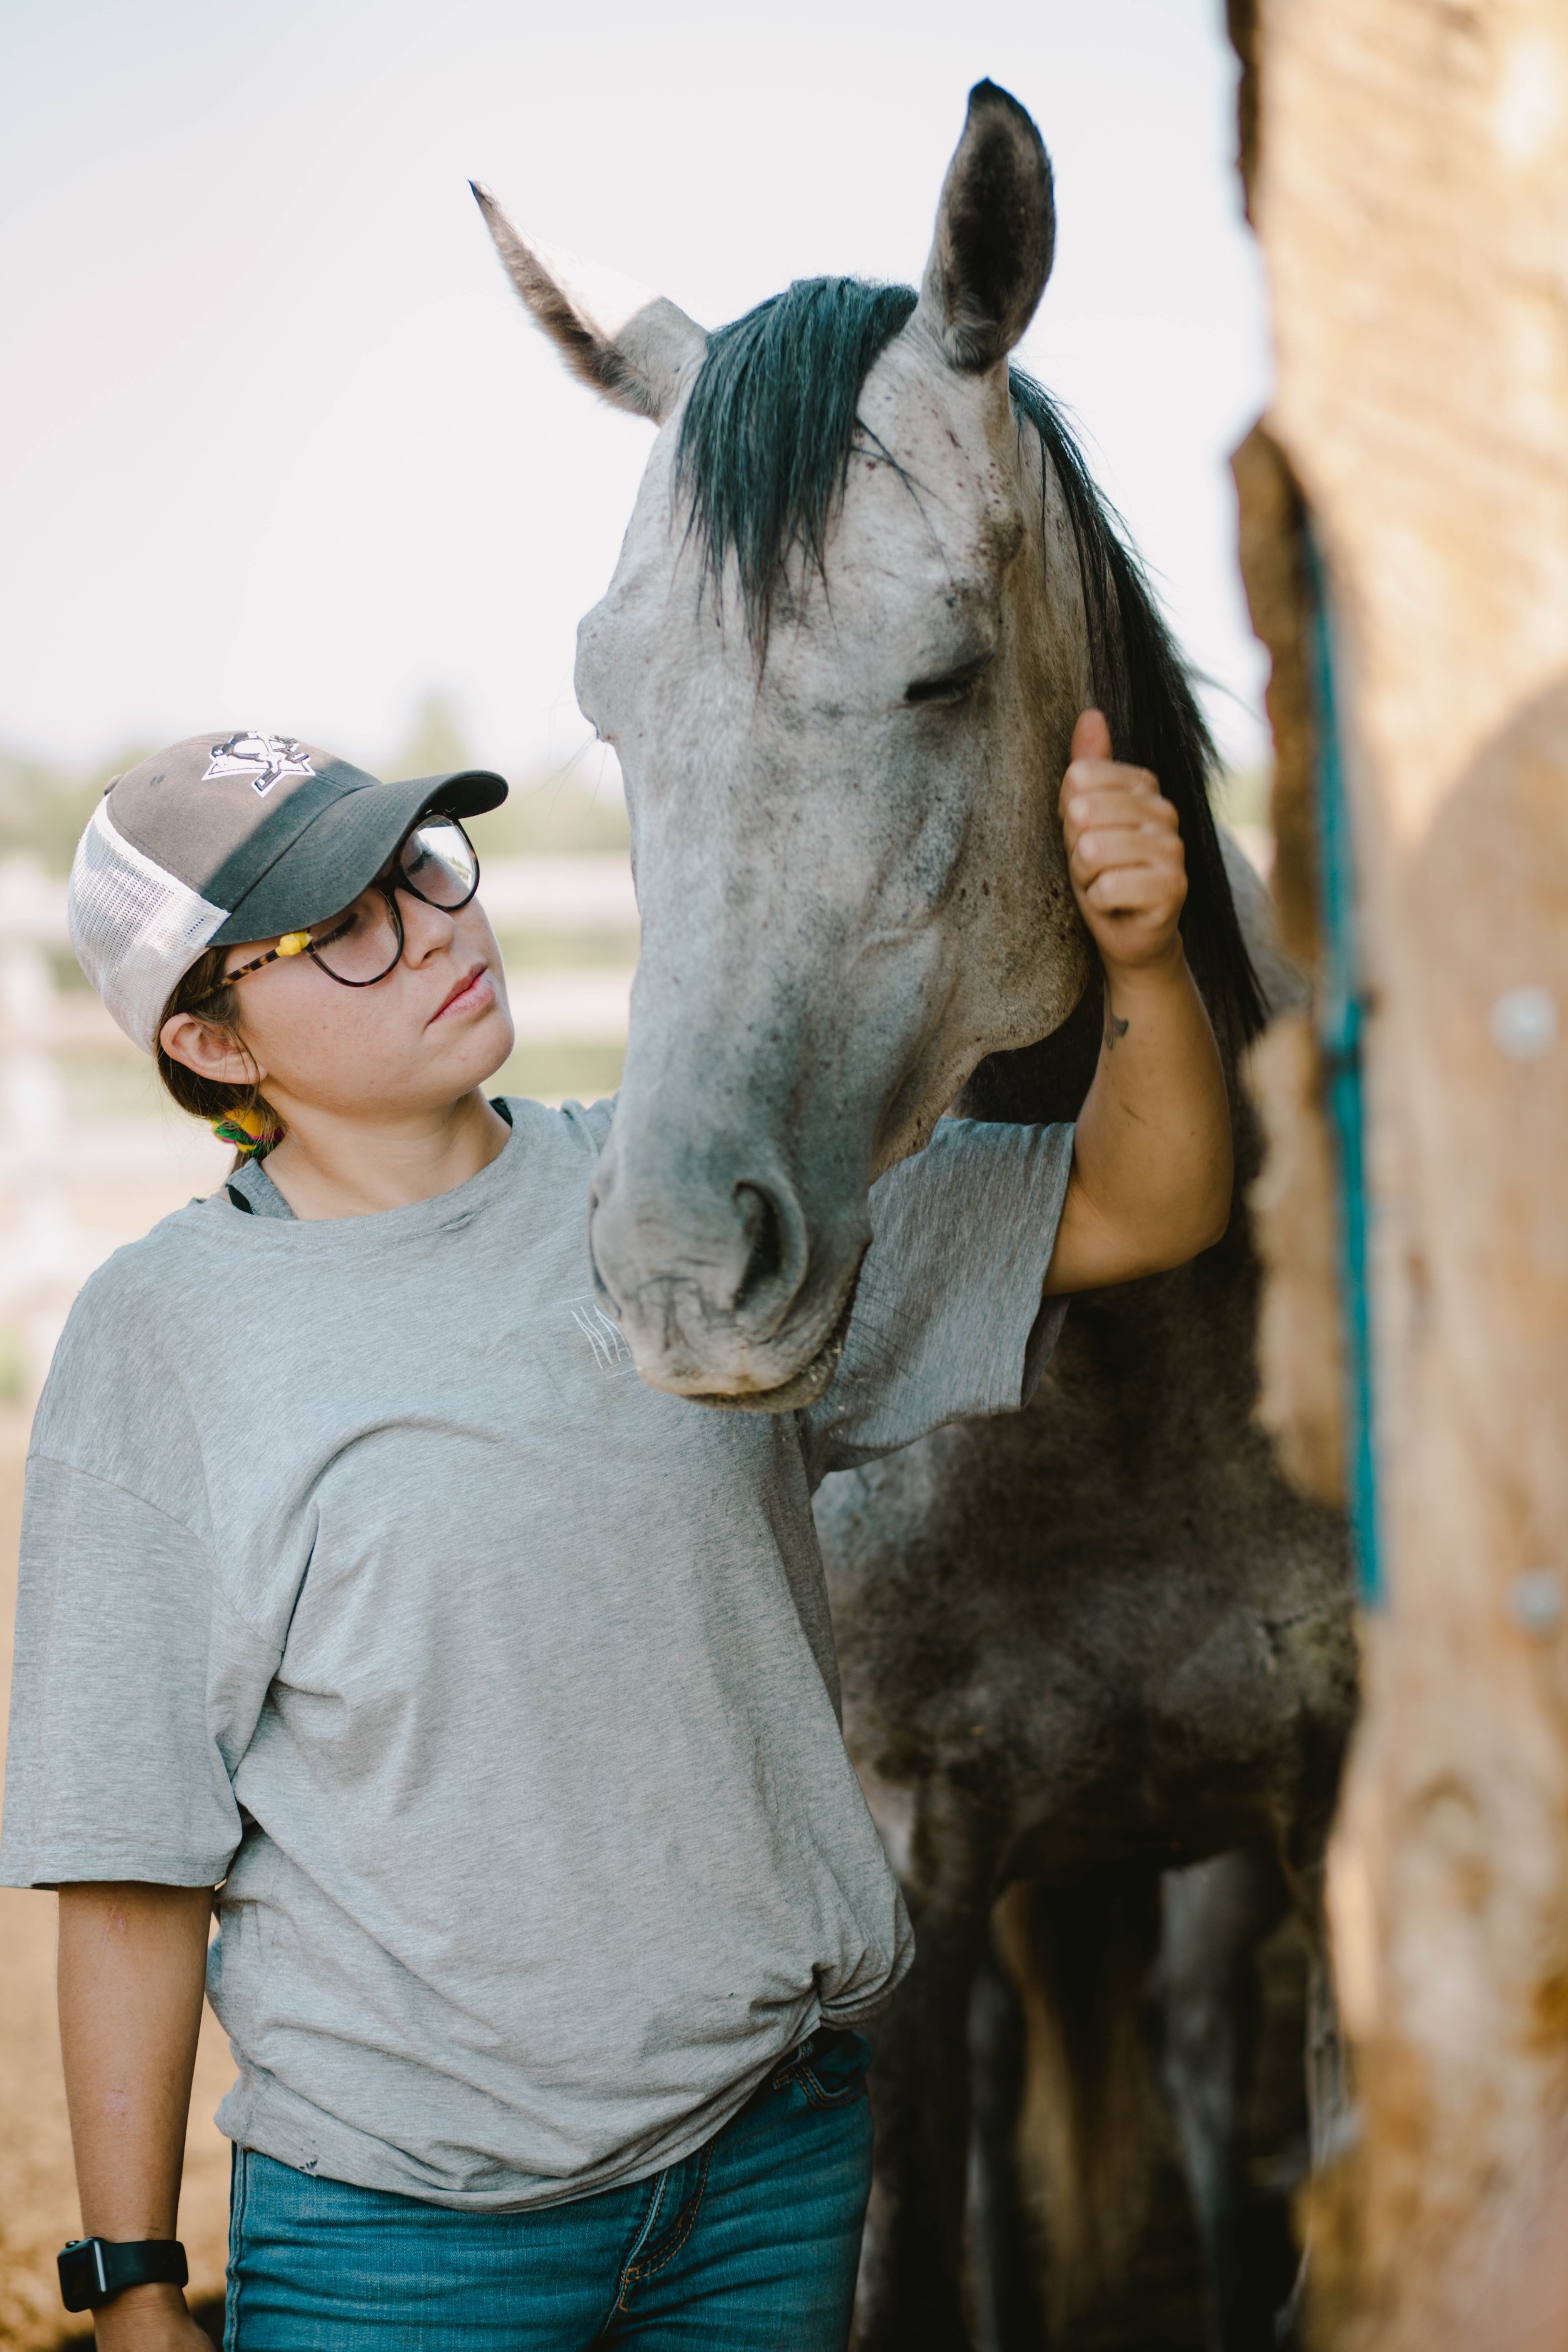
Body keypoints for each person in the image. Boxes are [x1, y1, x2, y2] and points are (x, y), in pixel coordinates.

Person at [0, 711, 1230, 2352]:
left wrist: (1143, 959)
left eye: (422, 866)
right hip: (410, 2248)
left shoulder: (687, 1202)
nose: (432, 928)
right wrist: (135, 2283)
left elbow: (1146, 1202)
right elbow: (130, 1859)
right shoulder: (167, 1339)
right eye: (344, 925)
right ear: (212, 1044)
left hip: (770, 2175)